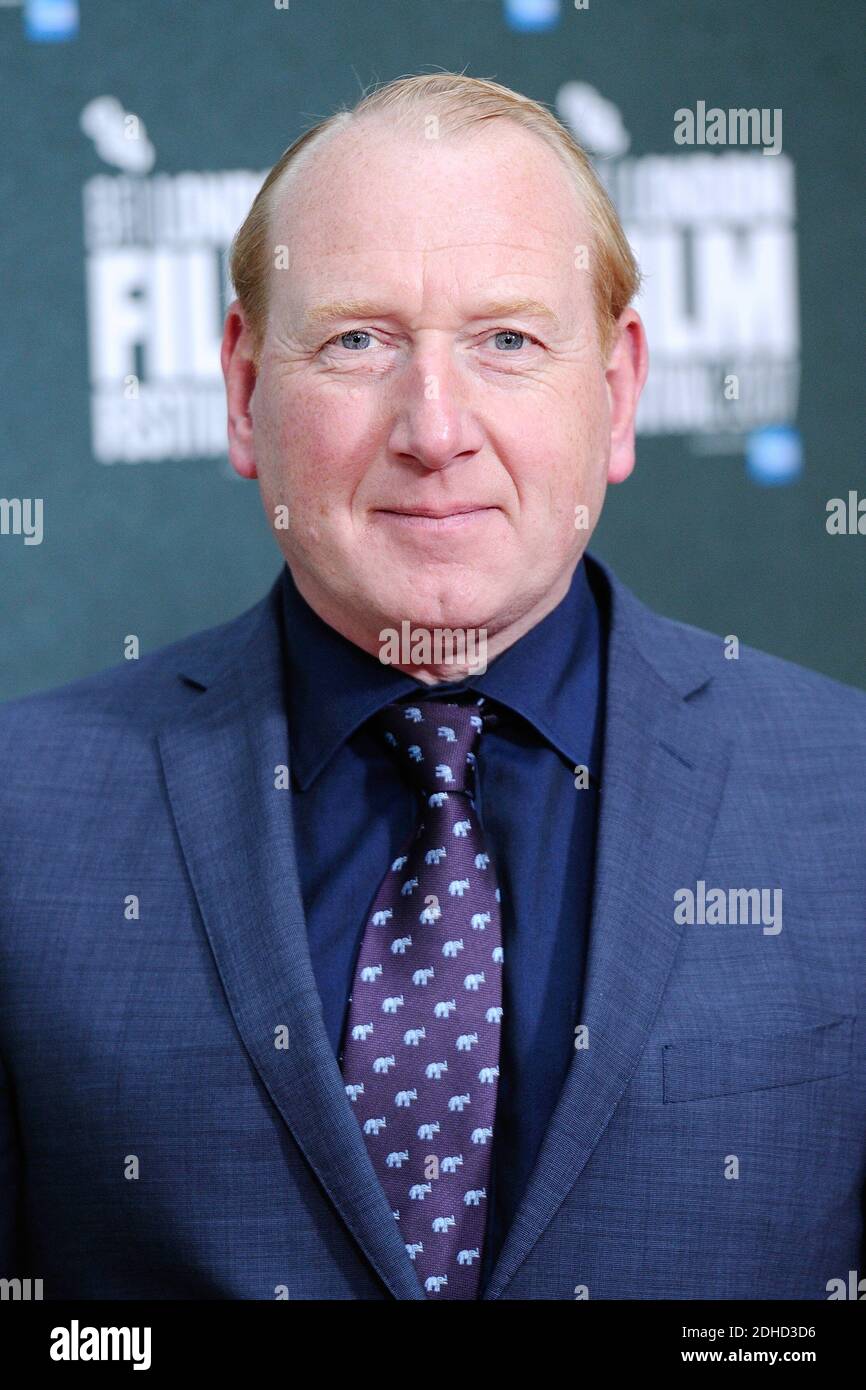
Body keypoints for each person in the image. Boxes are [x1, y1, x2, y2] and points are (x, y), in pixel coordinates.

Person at [1, 73, 863, 1302]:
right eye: (357, 340)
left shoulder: (849, 798)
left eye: (507, 340)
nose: (434, 426)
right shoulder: (21, 817)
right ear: (244, 390)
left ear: (616, 392)